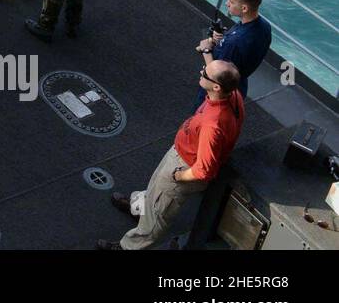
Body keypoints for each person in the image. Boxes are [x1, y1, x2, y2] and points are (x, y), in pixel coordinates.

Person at [98, 60, 244, 250]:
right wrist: (208, 55)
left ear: (216, 86)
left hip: (185, 166)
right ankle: (139, 207)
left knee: (158, 214)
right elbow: (219, 74)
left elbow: (204, 170)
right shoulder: (233, 95)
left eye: (205, 73)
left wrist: (178, 176)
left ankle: (128, 246)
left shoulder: (212, 124)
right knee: (156, 187)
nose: (201, 71)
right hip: (182, 152)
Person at [195, 0, 271, 107]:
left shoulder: (234, 42)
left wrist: (206, 51)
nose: (227, 4)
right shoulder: (264, 26)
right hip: (239, 88)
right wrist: (221, 40)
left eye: (231, 1)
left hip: (218, 94)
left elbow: (217, 76)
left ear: (244, 8)